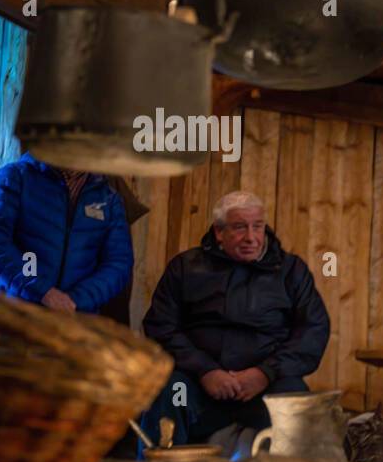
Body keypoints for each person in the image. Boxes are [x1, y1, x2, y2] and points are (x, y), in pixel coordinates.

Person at [140, 190, 329, 448]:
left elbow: (313, 330)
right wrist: (205, 369)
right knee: (172, 392)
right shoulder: (186, 267)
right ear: (219, 232)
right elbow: (160, 327)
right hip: (196, 385)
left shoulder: (290, 271)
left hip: (268, 385)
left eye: (258, 227)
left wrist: (266, 372)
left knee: (293, 401)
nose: (251, 237)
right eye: (240, 227)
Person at [0, 153, 132, 326]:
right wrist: (42, 290)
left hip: (73, 326)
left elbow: (119, 263)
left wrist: (75, 300)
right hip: (14, 320)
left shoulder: (108, 198)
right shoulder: (16, 177)